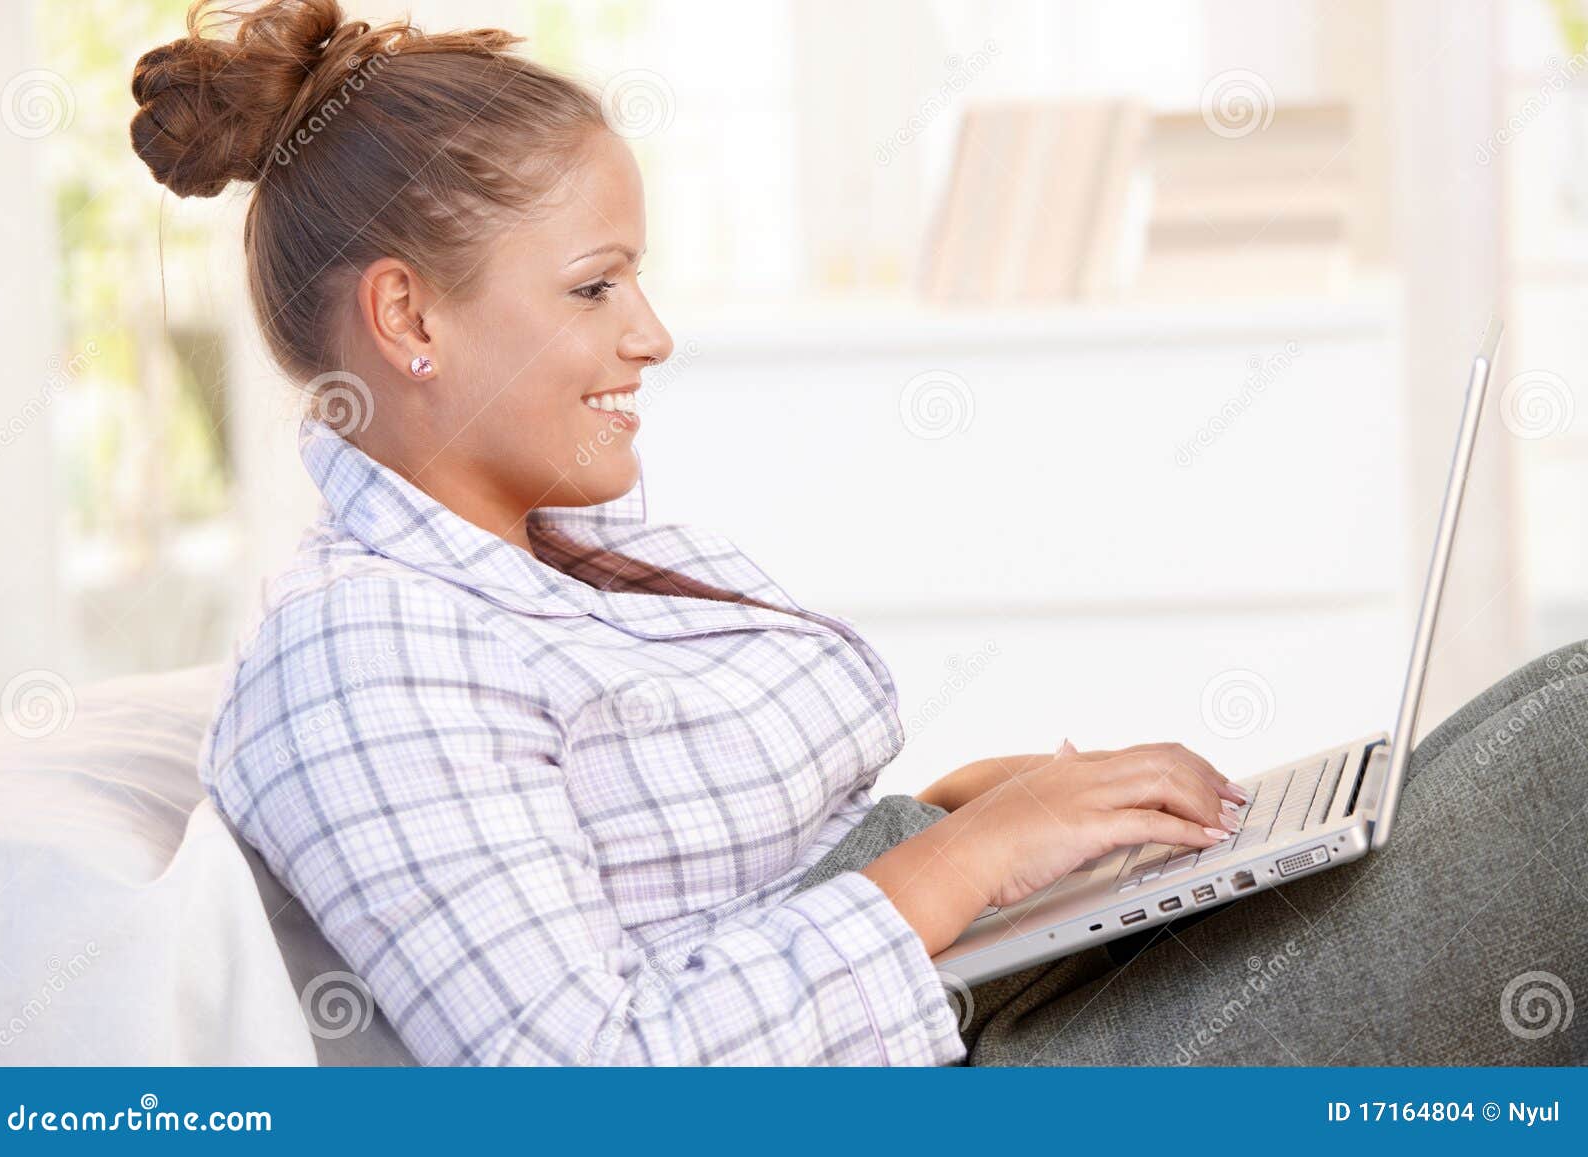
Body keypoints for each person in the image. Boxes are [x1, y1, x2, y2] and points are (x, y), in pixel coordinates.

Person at [136, 0, 1585, 1066]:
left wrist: (972, 821)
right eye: (595, 287)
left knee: (1523, 735)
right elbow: (580, 1080)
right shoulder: (360, 649)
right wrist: (953, 867)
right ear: (407, 319)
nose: (651, 334)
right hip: (960, 1069)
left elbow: (687, 877)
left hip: (984, 996)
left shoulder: (549, 557)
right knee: (1564, 766)